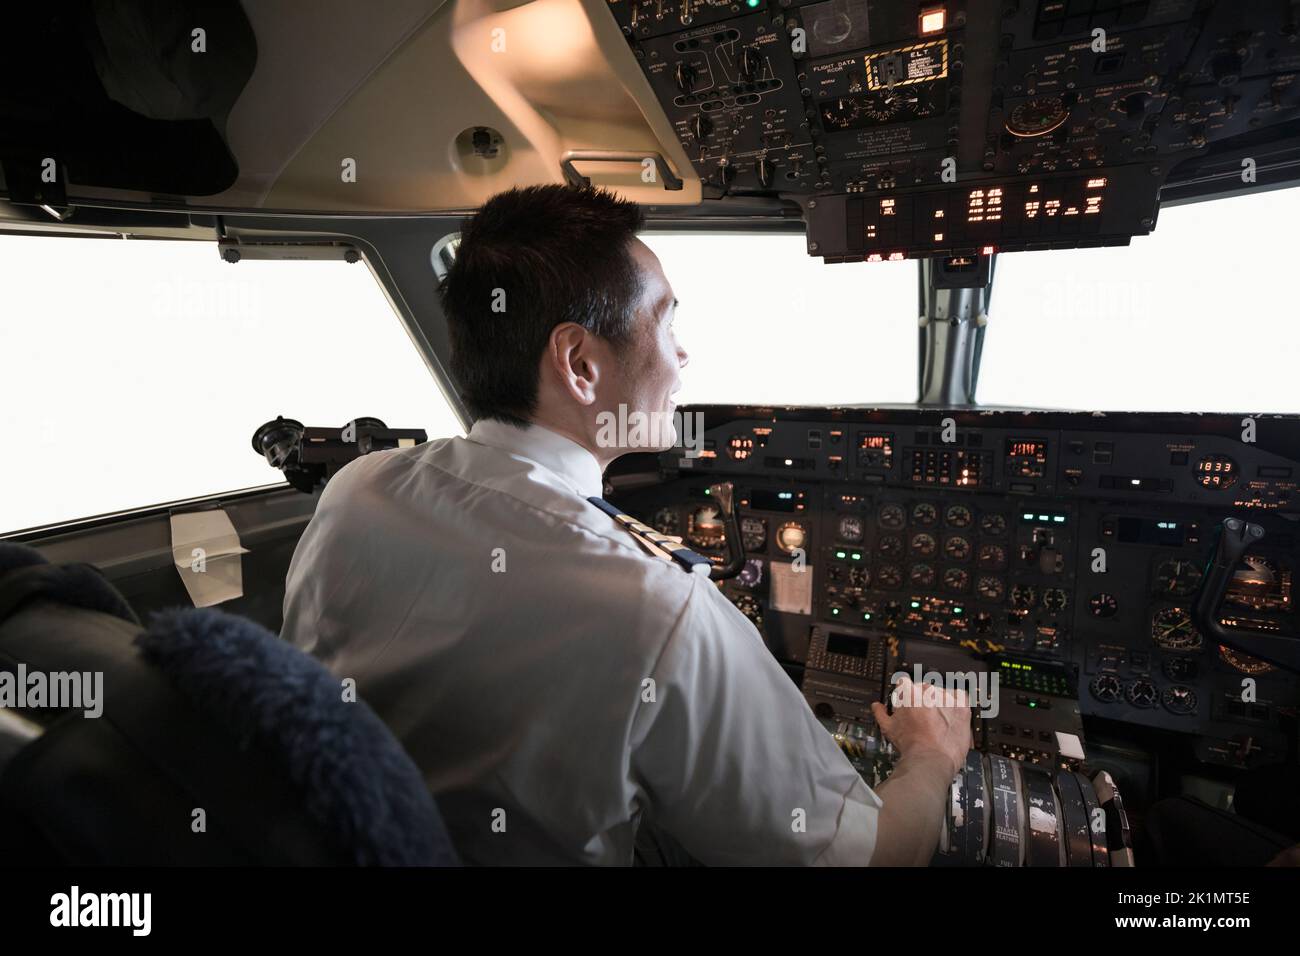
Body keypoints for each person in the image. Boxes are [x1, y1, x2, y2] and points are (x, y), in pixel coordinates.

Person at [280, 184, 972, 865]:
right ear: (580, 364)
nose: (682, 355)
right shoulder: (658, 609)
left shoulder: (357, 490)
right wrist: (931, 754)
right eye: (665, 321)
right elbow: (860, 858)